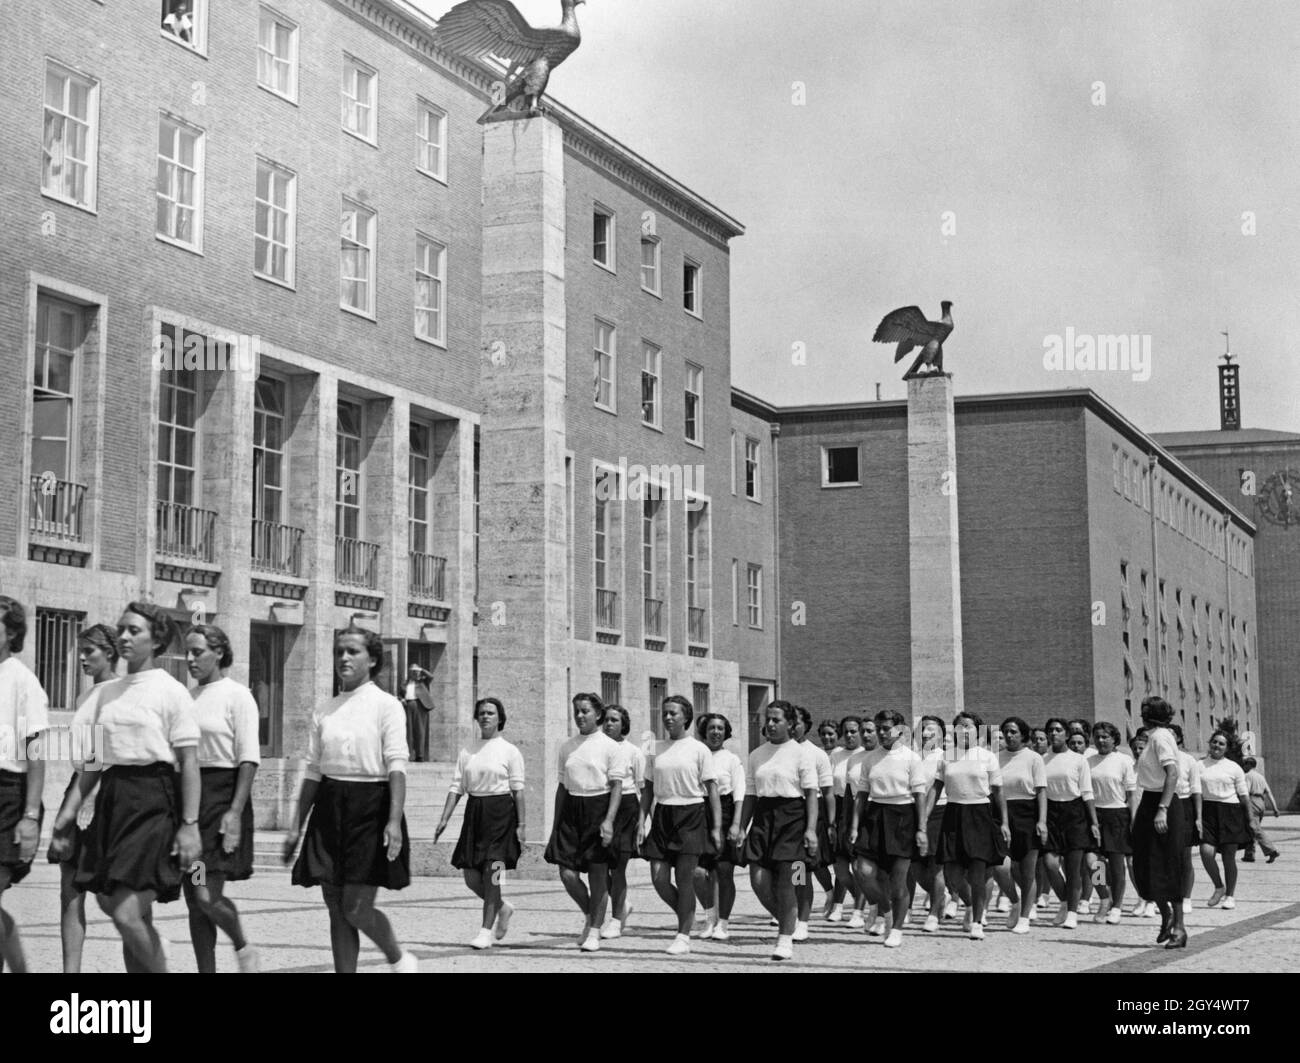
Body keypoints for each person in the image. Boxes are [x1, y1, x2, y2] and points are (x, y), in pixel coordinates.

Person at [60, 601, 201, 973]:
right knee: (114, 903)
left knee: (124, 911)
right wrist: (67, 814)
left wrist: (190, 825)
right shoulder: (106, 694)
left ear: (156, 640)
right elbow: (92, 765)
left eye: (133, 630)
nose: (123, 636)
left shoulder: (171, 692)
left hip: (154, 800)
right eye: (121, 629)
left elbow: (188, 762)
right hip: (112, 799)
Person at [283, 626, 416, 973]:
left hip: (372, 805)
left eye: (352, 652)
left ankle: (399, 959)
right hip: (329, 805)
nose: (343, 658)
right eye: (339, 651)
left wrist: (393, 820)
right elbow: (313, 771)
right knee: (336, 906)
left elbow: (396, 766)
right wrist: (296, 826)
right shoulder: (325, 710)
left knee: (356, 907)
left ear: (372, 659)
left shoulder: (387, 706)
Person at [183, 625, 260, 973]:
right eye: (187, 652)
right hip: (190, 802)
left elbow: (248, 758)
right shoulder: (187, 697)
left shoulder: (237, 695)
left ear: (218, 652)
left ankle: (243, 946)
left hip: (222, 799)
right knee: (195, 902)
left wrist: (234, 812)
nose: (190, 659)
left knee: (206, 896)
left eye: (197, 651)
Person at [47, 623, 117, 973]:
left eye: (90, 651)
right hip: (79, 784)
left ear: (109, 652)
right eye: (81, 651)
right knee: (69, 889)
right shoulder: (83, 696)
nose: (83, 659)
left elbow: (106, 753)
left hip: (104, 790)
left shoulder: (117, 692)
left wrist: (89, 801)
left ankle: (147, 943)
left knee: (111, 896)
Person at [433, 697, 525, 949]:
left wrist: (522, 825)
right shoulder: (467, 750)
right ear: (476, 718)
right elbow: (457, 787)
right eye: (481, 713)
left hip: (501, 815)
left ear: (500, 718)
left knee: (492, 872)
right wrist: (444, 818)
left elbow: (518, 790)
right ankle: (502, 907)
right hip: (475, 813)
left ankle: (485, 930)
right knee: (471, 877)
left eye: (491, 713)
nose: (485, 717)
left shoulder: (510, 751)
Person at [544, 692, 627, 954]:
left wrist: (609, 821)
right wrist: (556, 823)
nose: (580, 716)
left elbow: (616, 787)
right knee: (567, 873)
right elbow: (561, 787)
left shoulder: (610, 746)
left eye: (585, 711)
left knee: (598, 874)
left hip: (599, 807)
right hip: (571, 809)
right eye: (577, 711)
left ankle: (594, 931)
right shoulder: (567, 746)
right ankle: (592, 916)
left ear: (598, 714)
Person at [638, 695, 720, 956]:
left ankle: (683, 935)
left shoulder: (699, 749)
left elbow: (712, 790)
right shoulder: (653, 748)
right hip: (663, 814)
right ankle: (689, 915)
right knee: (659, 878)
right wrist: (641, 822)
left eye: (673, 713)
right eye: (664, 713)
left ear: (686, 717)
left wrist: (716, 827)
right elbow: (648, 790)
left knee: (685, 879)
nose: (668, 718)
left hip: (691, 814)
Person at [738, 700, 818, 961]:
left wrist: (811, 830)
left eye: (776, 720)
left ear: (790, 724)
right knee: (759, 880)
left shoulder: (802, 753)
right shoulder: (756, 754)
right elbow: (750, 793)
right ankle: (789, 920)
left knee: (790, 881)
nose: (770, 724)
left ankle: (784, 938)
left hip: (794, 818)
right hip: (763, 818)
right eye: (768, 720)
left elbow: (811, 795)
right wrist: (740, 826)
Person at [850, 709, 928, 949]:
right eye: (879, 728)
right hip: (875, 816)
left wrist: (922, 829)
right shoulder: (870, 758)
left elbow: (920, 796)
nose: (882, 733)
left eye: (886, 728)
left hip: (903, 817)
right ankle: (886, 911)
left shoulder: (911, 758)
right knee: (862, 870)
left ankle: (896, 929)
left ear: (899, 730)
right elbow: (861, 795)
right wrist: (854, 826)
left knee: (897, 881)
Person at [0, 596, 49, 974]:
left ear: (11, 632)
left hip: (10, 795)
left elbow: (36, 753)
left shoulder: (24, 682)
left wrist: (30, 816)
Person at [928, 712, 1008, 940]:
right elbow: (935, 788)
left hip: (979, 813)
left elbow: (998, 792)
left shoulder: (987, 757)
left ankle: (977, 922)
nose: (963, 731)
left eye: (968, 727)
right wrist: (924, 817)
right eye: (959, 727)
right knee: (952, 873)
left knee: (977, 872)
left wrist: (1004, 823)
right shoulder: (946, 756)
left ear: (977, 731)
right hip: (953, 813)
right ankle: (972, 904)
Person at [1130, 696, 1187, 947]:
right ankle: (1166, 916)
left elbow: (1172, 773)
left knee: (1167, 864)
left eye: (1145, 711)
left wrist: (1162, 809)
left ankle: (1180, 929)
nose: (1142, 714)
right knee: (1144, 864)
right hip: (1149, 802)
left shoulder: (1161, 736)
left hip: (1163, 803)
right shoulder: (1152, 736)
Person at [1042, 717, 1100, 928]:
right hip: (1051, 813)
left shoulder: (1078, 760)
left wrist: (1093, 822)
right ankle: (1066, 902)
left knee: (1077, 867)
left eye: (1058, 730)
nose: (1054, 734)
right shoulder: (1041, 759)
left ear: (1066, 734)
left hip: (1075, 813)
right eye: (1050, 730)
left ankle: (1078, 910)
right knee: (1050, 863)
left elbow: (1087, 792)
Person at [693, 712, 744, 940]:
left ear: (726, 732)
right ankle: (709, 916)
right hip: (698, 812)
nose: (715, 732)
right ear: (704, 731)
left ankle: (723, 922)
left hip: (724, 811)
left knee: (723, 870)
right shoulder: (696, 755)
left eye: (720, 728)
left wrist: (736, 824)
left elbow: (739, 792)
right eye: (711, 728)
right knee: (698, 871)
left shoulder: (731, 759)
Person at [599, 704, 645, 939]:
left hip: (626, 808)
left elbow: (641, 788)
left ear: (623, 724)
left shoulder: (633, 751)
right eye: (606, 719)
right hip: (602, 806)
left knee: (618, 866)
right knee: (600, 866)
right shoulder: (597, 747)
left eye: (614, 720)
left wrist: (642, 821)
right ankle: (622, 905)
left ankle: (616, 920)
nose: (609, 724)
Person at [998, 716, 1047, 933]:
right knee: (1002, 867)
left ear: (1023, 735)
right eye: (1006, 732)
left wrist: (1042, 821)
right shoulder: (995, 758)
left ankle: (1025, 917)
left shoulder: (1033, 758)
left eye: (1013, 732)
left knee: (1027, 871)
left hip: (1028, 814)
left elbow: (1041, 791)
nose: (1009, 735)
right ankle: (1015, 902)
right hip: (1002, 815)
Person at [1086, 722, 1137, 924]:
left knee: (1117, 866)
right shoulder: (1087, 760)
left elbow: (1132, 795)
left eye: (1105, 736)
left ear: (1115, 739)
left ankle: (1117, 906)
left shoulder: (1124, 761)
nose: (1101, 740)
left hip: (1118, 814)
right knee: (1093, 862)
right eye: (1097, 736)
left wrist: (1133, 819)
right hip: (1094, 814)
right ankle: (1104, 898)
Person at [792, 706, 835, 939]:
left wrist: (830, 824)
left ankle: (803, 919)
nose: (792, 726)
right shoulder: (777, 750)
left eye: (797, 721)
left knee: (806, 868)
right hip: (784, 817)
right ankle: (791, 908)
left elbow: (827, 792)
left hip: (810, 814)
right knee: (790, 869)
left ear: (806, 725)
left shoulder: (816, 754)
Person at [1198, 729, 1252, 910]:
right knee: (1206, 852)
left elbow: (1244, 796)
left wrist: (1251, 819)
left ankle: (1230, 895)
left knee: (1229, 857)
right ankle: (1219, 886)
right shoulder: (1200, 765)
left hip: (1230, 812)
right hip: (1207, 812)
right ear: (1210, 743)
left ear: (1226, 748)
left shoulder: (1234, 767)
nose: (1217, 746)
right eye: (1214, 742)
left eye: (1221, 743)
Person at [826, 715, 865, 924]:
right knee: (840, 866)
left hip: (859, 808)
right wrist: (831, 821)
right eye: (846, 731)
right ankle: (855, 898)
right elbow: (830, 789)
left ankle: (857, 911)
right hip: (840, 808)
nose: (849, 735)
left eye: (854, 731)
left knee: (858, 864)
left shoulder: (865, 754)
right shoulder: (836, 755)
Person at [914, 715, 950, 933]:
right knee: (916, 867)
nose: (927, 733)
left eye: (932, 730)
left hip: (939, 812)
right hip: (913, 811)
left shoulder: (946, 756)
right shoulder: (911, 757)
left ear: (941, 735)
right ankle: (941, 895)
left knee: (936, 866)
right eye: (923, 730)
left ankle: (934, 913)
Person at [1171, 725, 1201, 916]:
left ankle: (1186, 897)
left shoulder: (1189, 760)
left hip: (1183, 805)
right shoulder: (1157, 757)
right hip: (1163, 805)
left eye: (1174, 736)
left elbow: (1196, 789)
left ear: (1180, 739)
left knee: (1184, 856)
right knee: (1166, 856)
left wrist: (1198, 817)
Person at [1241, 758, 1280, 863]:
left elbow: (1246, 792)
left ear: (1249, 764)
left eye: (1244, 764)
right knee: (1252, 828)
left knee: (1255, 828)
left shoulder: (1247, 776)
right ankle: (1249, 855)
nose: (1243, 766)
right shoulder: (1261, 777)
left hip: (1252, 801)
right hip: (1261, 803)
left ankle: (1271, 850)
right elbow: (1268, 792)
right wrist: (1275, 808)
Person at [401, 665, 434, 763]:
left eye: (417, 672)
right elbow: (400, 694)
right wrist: (401, 699)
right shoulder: (404, 683)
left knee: (420, 730)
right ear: (410, 673)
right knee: (408, 731)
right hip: (407, 705)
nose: (416, 674)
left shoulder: (423, 682)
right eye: (413, 672)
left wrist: (421, 669)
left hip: (420, 706)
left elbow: (431, 676)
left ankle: (420, 755)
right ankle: (409, 754)